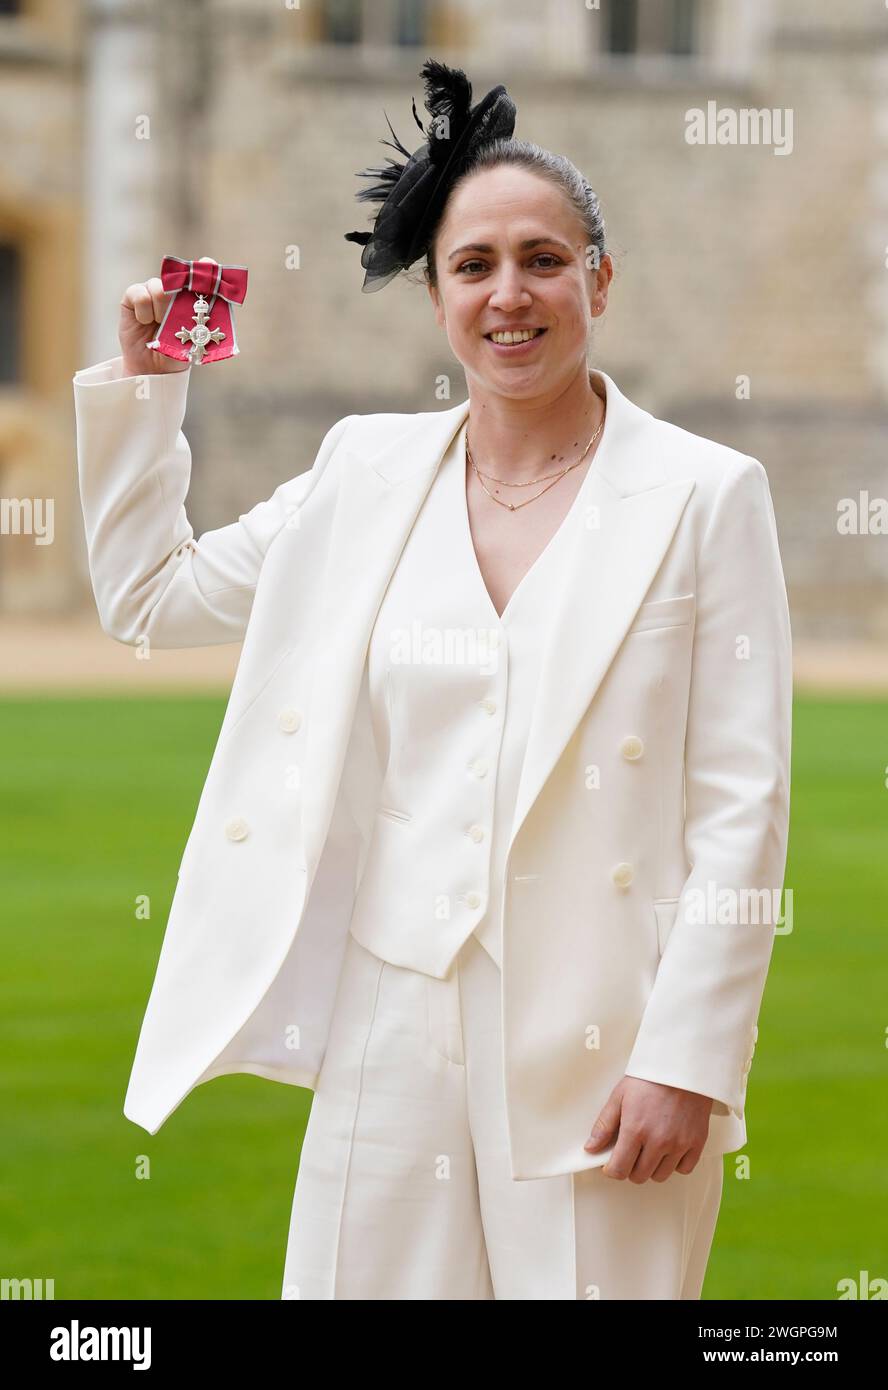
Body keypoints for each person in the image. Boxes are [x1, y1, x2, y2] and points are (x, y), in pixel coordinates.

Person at [73, 59, 792, 1300]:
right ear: (437, 294)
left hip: (606, 1039)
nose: (509, 293)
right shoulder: (361, 474)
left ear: (599, 281)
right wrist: (148, 390)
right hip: (389, 1025)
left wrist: (690, 1056)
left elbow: (743, 804)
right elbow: (151, 596)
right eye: (474, 265)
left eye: (543, 260)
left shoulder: (707, 494)